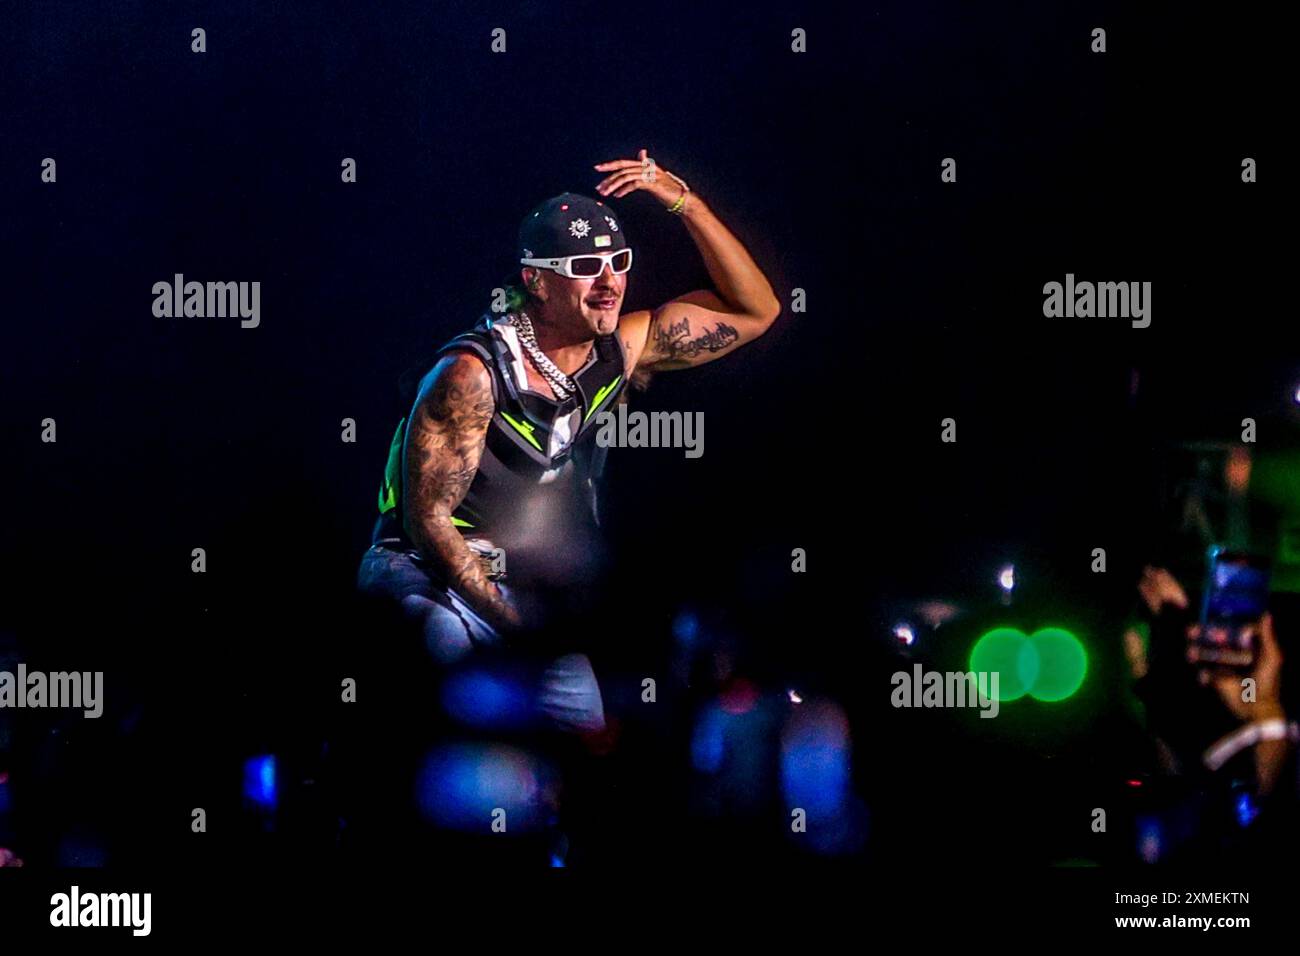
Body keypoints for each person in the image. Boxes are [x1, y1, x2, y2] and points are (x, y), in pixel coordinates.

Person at [352, 150, 780, 848]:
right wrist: (515, 625)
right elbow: (427, 523)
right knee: (461, 715)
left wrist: (684, 201)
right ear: (535, 283)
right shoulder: (472, 372)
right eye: (585, 270)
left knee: (588, 753)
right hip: (427, 574)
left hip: (519, 589)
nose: (609, 284)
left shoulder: (620, 350)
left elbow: (756, 310)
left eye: (619, 263)